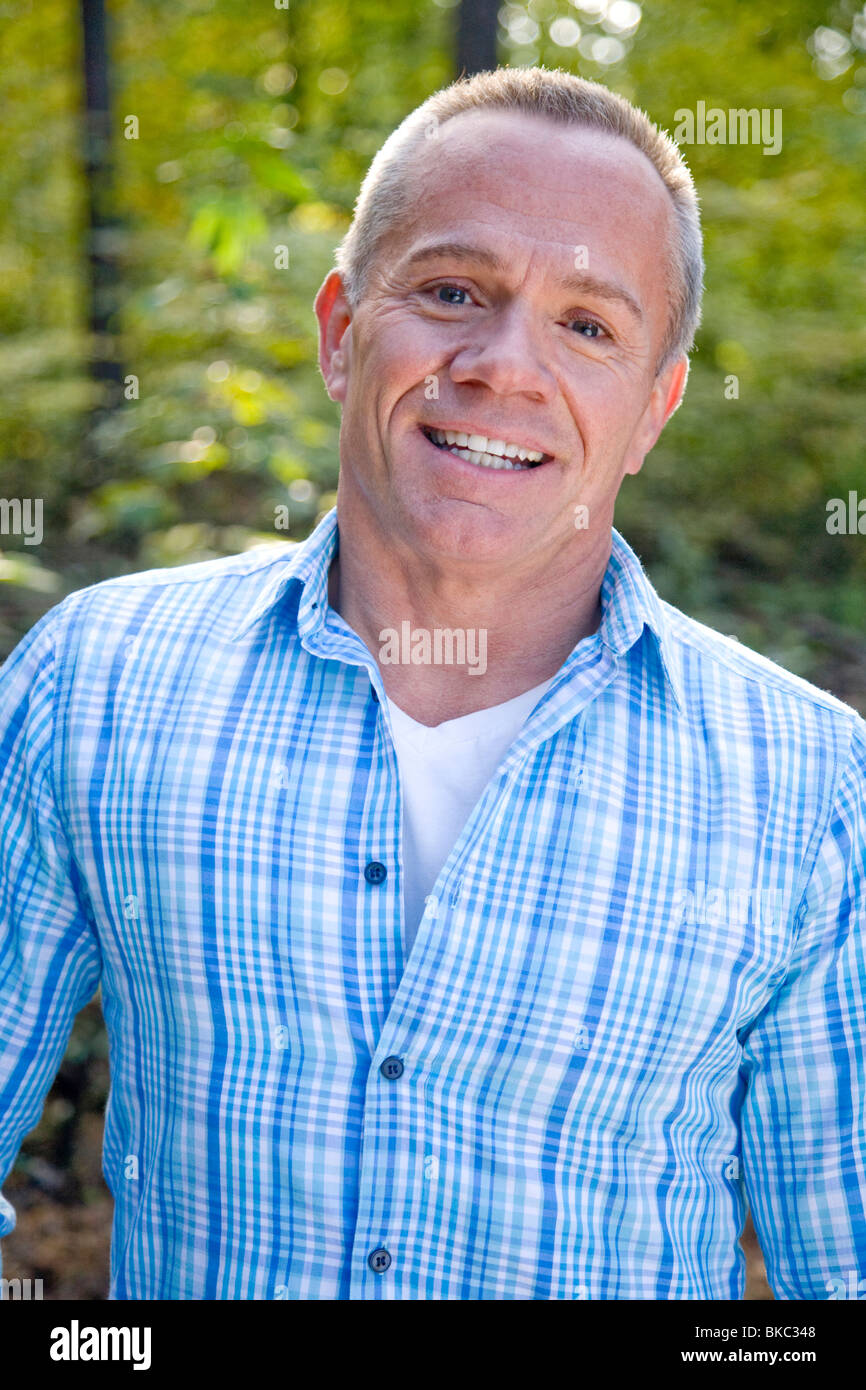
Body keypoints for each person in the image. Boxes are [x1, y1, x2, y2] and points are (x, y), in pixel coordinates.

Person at [1, 66, 864, 1301]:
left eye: (587, 325)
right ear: (342, 333)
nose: (502, 367)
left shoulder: (811, 784)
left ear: (654, 406)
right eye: (452, 291)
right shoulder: (98, 684)